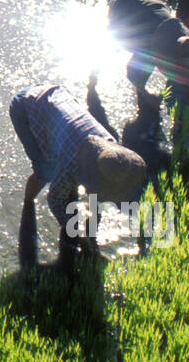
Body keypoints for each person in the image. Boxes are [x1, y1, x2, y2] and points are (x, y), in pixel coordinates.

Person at [10, 84, 148, 274]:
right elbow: (55, 200)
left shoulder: (112, 152)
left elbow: (99, 196)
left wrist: (92, 235)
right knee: (45, 171)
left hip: (58, 97)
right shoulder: (70, 163)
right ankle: (28, 204)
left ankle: (69, 192)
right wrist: (76, 232)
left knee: (69, 178)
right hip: (26, 108)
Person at [107, 0, 189, 106]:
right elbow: (131, 73)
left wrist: (188, 89)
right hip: (122, 4)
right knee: (135, 59)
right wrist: (146, 95)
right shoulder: (148, 42)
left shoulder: (182, 37)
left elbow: (185, 64)